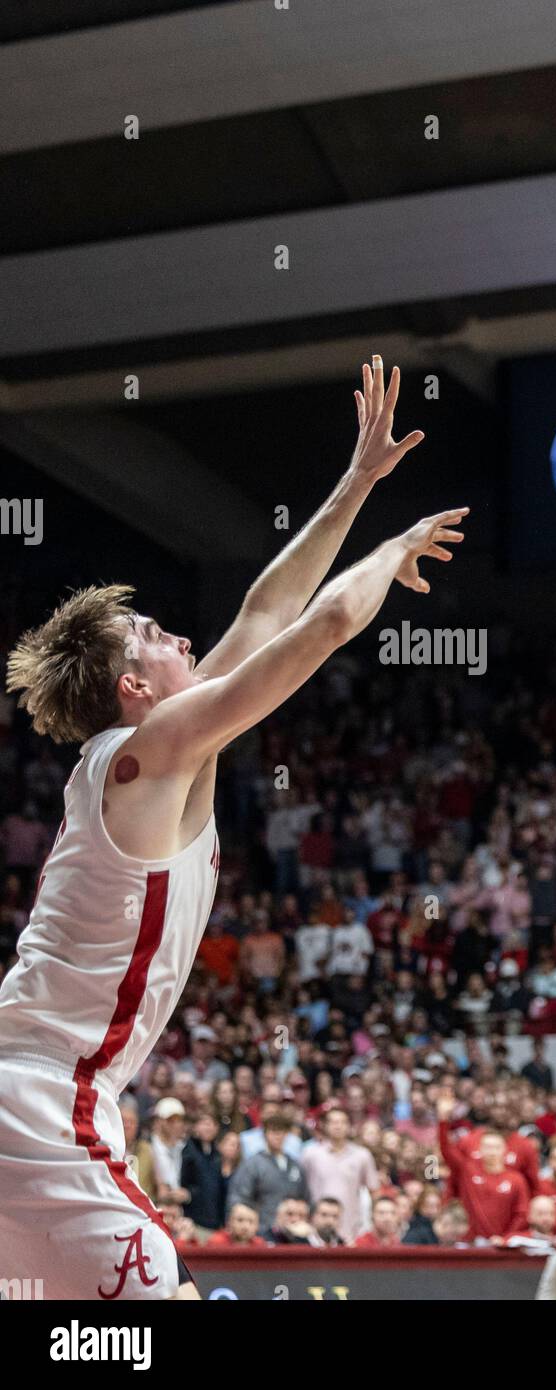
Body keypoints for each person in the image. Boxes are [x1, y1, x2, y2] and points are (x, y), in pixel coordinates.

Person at [0, 355, 467, 1300]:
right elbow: (327, 622)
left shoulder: (166, 754)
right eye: (159, 640)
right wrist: (396, 541)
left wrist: (357, 484)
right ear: (135, 690)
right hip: (42, 1101)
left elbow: (264, 611)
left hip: (53, 1096)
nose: (181, 641)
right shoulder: (143, 753)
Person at [437, 1094, 529, 1242]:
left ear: (504, 1150)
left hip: (501, 1245)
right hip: (469, 1243)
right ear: (480, 1149)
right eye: (487, 1147)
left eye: (496, 1147)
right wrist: (443, 1118)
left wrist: (506, 1238)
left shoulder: (516, 1179)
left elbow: (522, 1214)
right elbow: (446, 1150)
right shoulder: (468, 1170)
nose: (492, 1151)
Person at [301, 1106, 380, 1242]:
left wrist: (370, 1224)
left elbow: (374, 1191)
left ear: (349, 1126)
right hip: (315, 1230)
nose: (338, 1126)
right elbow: (301, 1189)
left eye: (343, 1122)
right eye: (333, 1122)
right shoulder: (310, 1154)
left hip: (351, 1230)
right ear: (325, 1126)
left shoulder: (362, 1155)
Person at [227, 1114, 309, 1234]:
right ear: (264, 1134)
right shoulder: (253, 1164)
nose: (278, 1136)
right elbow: (238, 1199)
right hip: (262, 1230)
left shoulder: (295, 1165)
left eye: (282, 1132)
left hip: (291, 1232)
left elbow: (305, 1198)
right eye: (274, 1132)